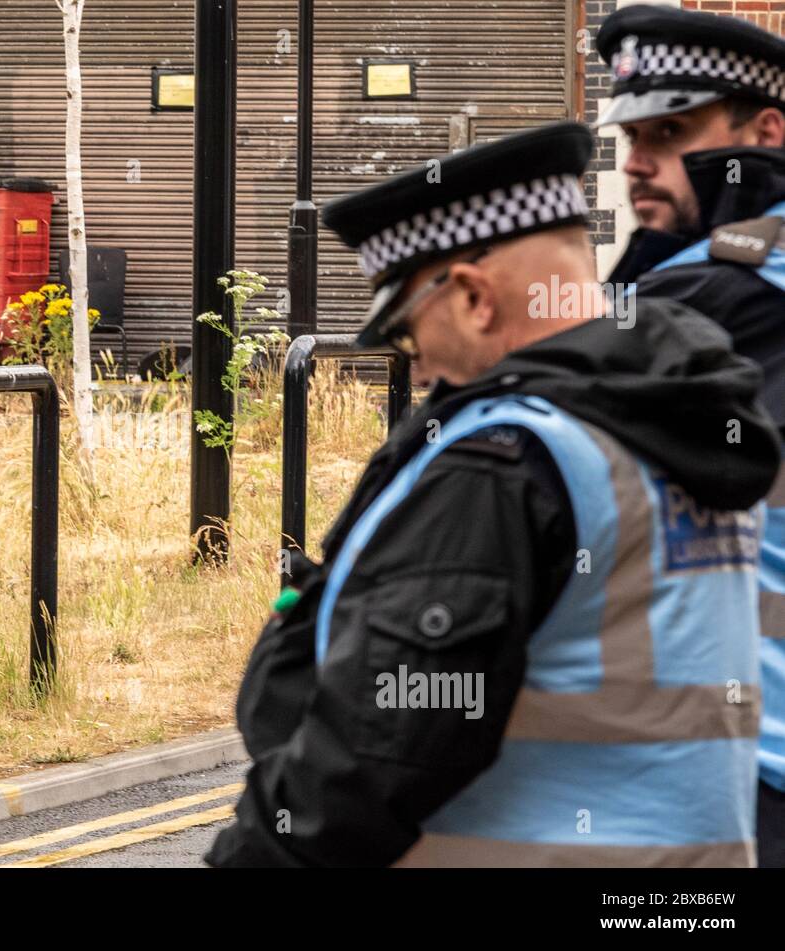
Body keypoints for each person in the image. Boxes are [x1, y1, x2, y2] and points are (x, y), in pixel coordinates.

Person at [205, 122, 779, 867]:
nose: (417, 369)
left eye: (409, 336)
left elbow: (369, 758)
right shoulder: (675, 417)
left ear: (474, 298)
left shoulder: (502, 463)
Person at [596, 4, 785, 868]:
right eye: (631, 134)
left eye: (671, 131)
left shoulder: (712, 298)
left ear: (765, 133)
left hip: (739, 768)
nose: (638, 161)